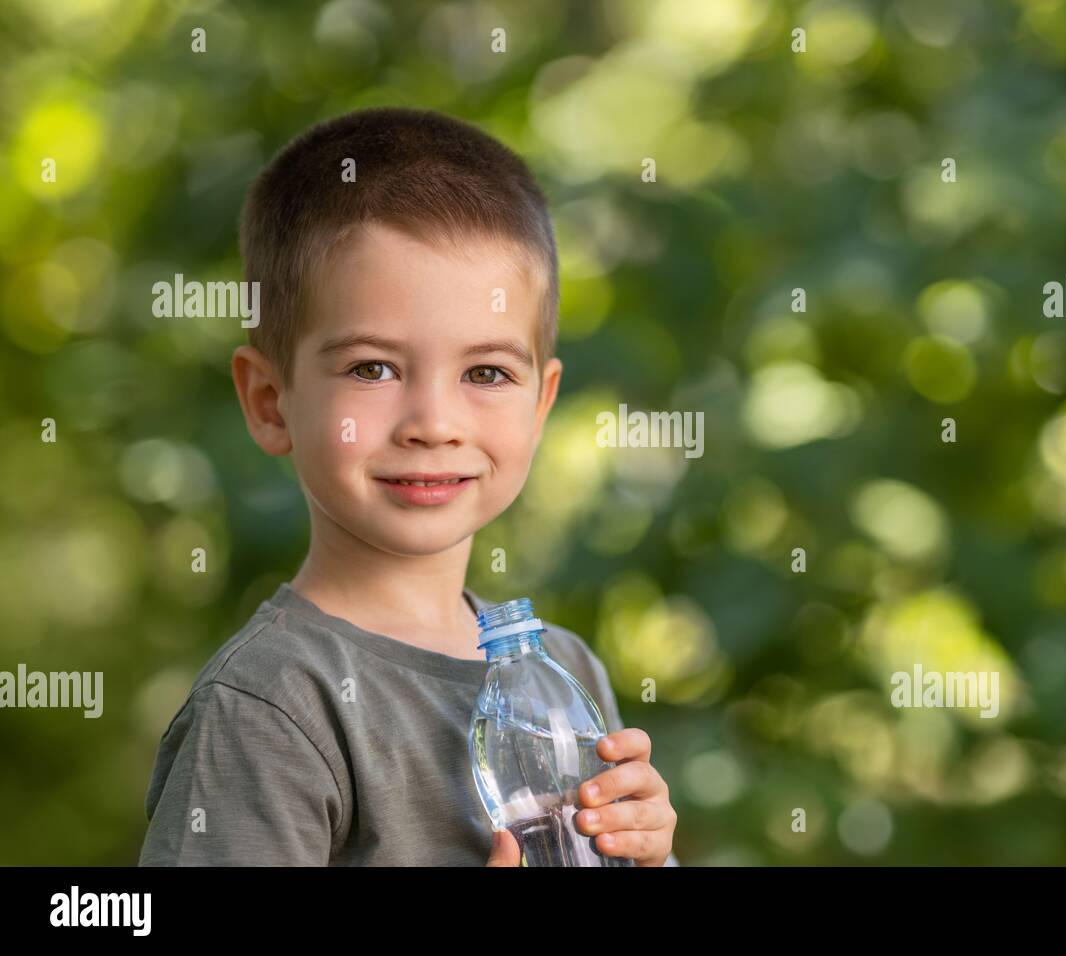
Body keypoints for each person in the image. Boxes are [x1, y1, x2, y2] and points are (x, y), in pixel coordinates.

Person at [139, 108, 679, 866]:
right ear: (270, 402)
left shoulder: (562, 670)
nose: (434, 422)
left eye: (486, 373)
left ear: (540, 405)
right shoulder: (272, 704)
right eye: (372, 369)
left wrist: (645, 856)